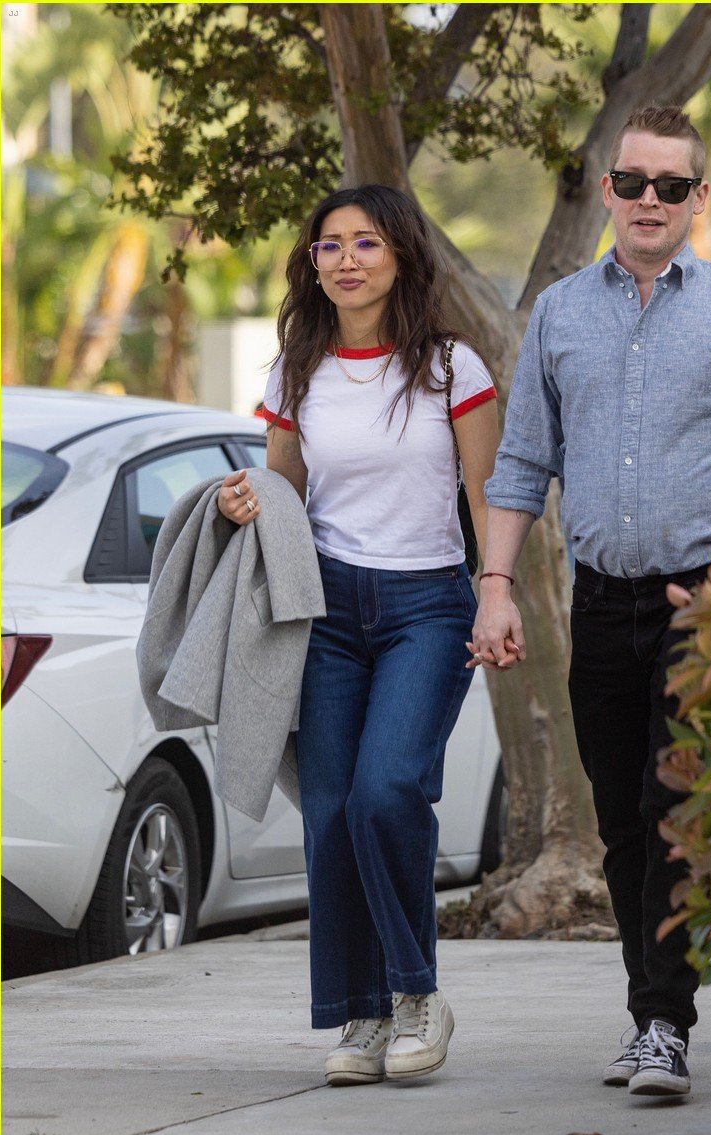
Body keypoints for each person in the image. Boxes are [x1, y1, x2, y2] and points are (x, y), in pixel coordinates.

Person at [470, 106, 711, 1099]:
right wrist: (495, 589)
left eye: (670, 186)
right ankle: (647, 1013)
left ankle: (666, 1022)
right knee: (621, 818)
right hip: (600, 602)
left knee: (670, 804)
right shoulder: (558, 313)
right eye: (632, 182)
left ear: (698, 197)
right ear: (606, 190)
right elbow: (521, 464)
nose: (649, 201)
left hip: (704, 600)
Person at [218, 184, 499, 1085]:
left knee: (386, 791)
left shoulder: (453, 368)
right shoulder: (295, 372)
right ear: (311, 264)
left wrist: (497, 594)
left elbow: (489, 498)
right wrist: (244, 503)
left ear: (402, 253)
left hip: (429, 605)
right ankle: (363, 1014)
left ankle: (417, 993)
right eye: (329, 245)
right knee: (332, 810)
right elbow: (283, 501)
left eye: (365, 242)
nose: (345, 260)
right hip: (328, 611)